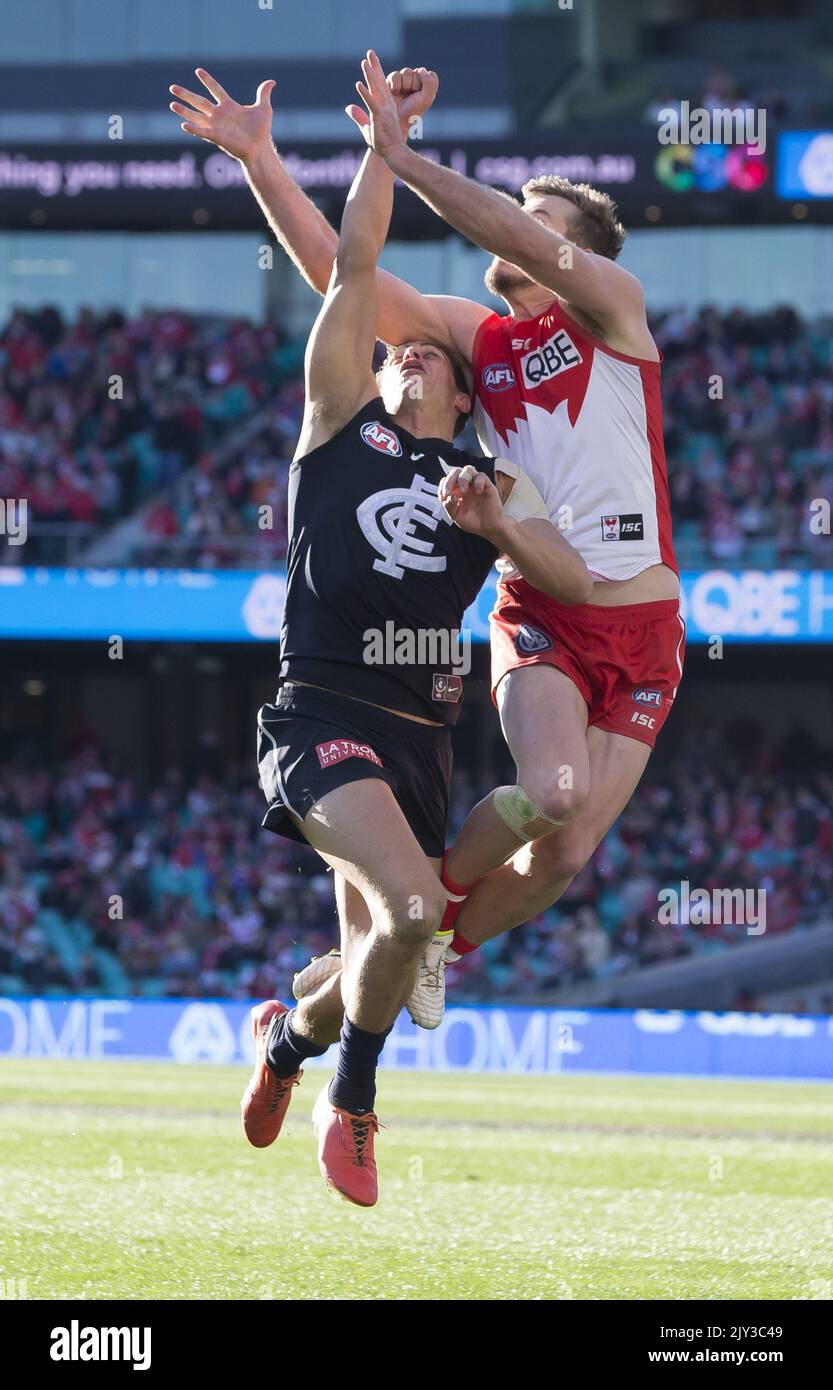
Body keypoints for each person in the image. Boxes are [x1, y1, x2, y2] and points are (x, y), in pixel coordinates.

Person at [169, 50, 683, 1032]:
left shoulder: (614, 310)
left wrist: (403, 159)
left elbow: (495, 224)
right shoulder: (474, 343)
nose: (514, 223)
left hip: (646, 624)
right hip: (544, 609)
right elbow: (340, 275)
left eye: (536, 219)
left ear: (567, 249)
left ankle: (429, 930)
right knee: (551, 790)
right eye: (518, 210)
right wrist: (261, 162)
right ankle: (412, 930)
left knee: (566, 852)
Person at [237, 91, 590, 1205]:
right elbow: (351, 263)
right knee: (402, 915)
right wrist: (349, 153)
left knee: (391, 938)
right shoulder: (336, 420)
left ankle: (289, 1041)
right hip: (322, 712)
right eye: (401, 353)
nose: (411, 359)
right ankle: (352, 1104)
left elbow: (569, 579)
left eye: (432, 355)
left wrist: (495, 526)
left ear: (459, 384)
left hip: (422, 736)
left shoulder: (488, 482)